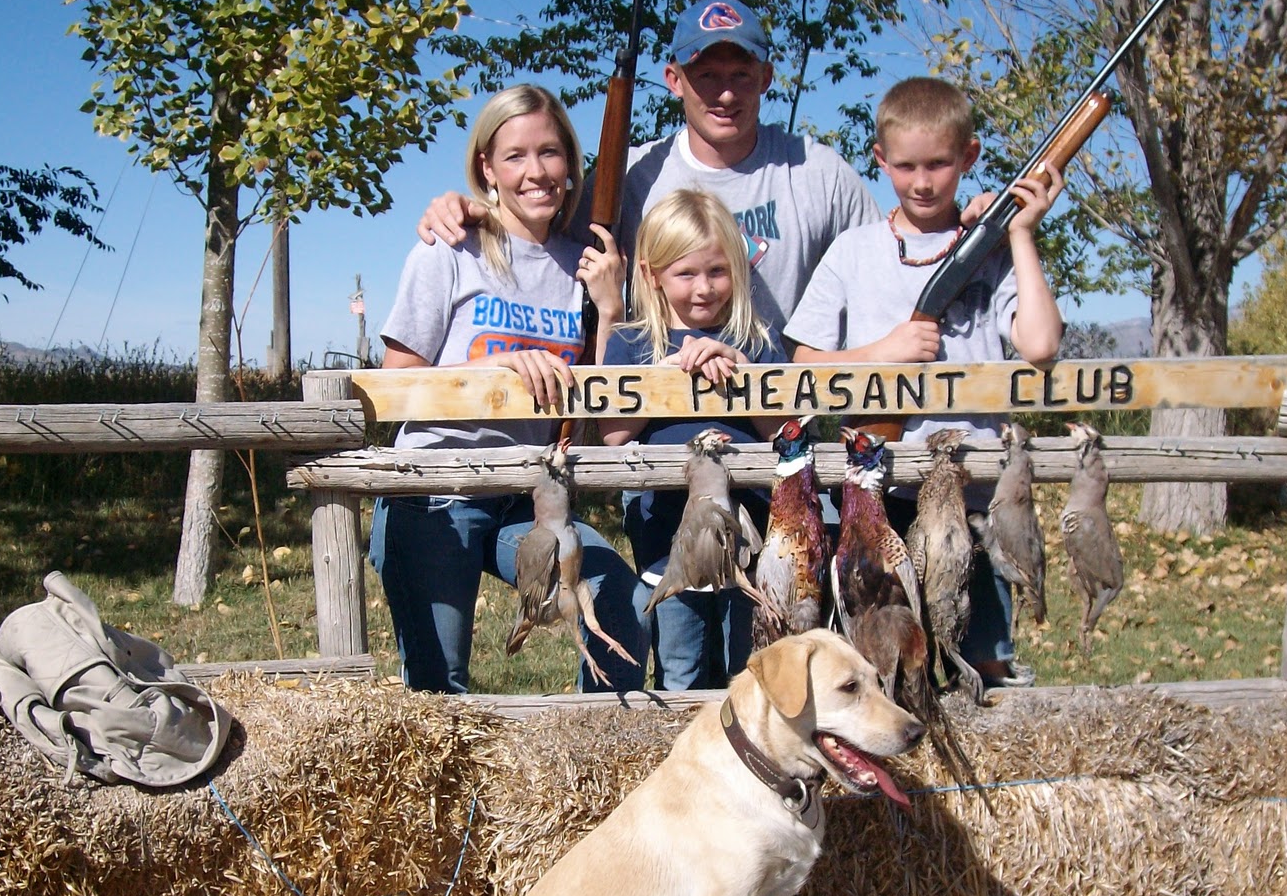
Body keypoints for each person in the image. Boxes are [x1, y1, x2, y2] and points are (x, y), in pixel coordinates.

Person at [783, 76, 1065, 689]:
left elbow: (1041, 345)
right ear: (879, 160)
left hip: (974, 495)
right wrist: (886, 352)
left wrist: (1019, 232)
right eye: (905, 165)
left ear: (969, 157)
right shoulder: (853, 252)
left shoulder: (989, 251)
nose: (923, 181)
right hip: (875, 495)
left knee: (985, 659)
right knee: (881, 663)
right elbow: (804, 363)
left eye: (939, 163)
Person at [367, 84, 647, 695]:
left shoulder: (585, 265)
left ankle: (596, 762)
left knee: (618, 602)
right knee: (439, 687)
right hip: (437, 489)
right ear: (486, 168)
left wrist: (610, 306)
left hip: (529, 497)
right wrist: (500, 375)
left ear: (572, 164)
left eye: (550, 153)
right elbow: (394, 383)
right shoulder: (449, 250)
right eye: (515, 156)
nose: (536, 171)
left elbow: (606, 412)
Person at [420, 0, 882, 350]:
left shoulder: (820, 173)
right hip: (653, 433)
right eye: (706, 76)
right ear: (673, 79)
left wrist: (948, 223)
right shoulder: (628, 174)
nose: (724, 94)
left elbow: (887, 264)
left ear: (765, 78)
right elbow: (537, 237)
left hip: (772, 426)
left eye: (740, 75)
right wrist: (473, 210)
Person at [599, 189, 784, 688]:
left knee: (744, 663)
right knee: (681, 662)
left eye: (718, 271)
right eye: (686, 274)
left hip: (751, 535)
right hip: (665, 535)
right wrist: (661, 383)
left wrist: (744, 376)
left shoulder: (759, 341)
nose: (704, 288)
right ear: (652, 274)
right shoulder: (632, 342)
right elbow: (613, 436)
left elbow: (786, 433)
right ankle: (683, 744)